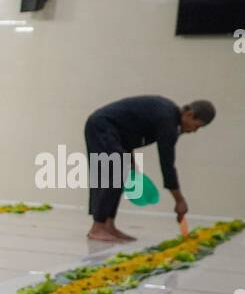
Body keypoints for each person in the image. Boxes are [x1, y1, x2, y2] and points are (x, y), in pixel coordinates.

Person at [83, 95, 214, 242]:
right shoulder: (168, 121)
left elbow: (129, 128)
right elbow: (167, 164)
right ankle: (97, 228)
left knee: (122, 172)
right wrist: (179, 200)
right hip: (101, 126)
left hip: (113, 131)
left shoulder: (169, 116)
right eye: (197, 126)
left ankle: (108, 225)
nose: (194, 131)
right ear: (189, 114)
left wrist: (129, 158)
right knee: (113, 173)